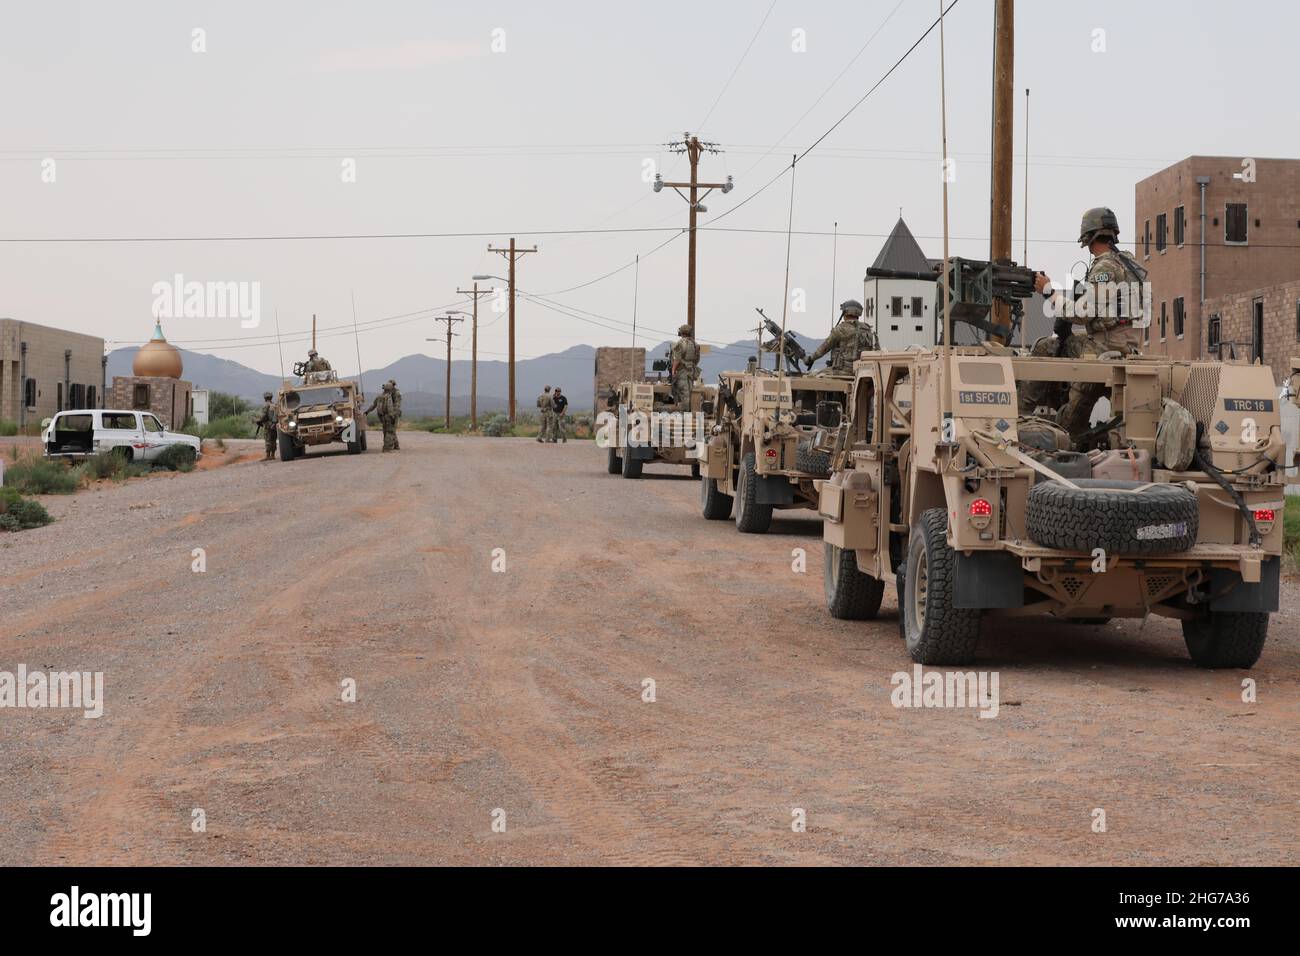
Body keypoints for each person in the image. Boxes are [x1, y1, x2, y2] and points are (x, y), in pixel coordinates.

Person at [1032, 206, 1148, 436]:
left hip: (1104, 348)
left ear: (1089, 237)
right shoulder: (1130, 263)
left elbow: (1084, 313)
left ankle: (1022, 415)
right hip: (1129, 347)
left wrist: (1049, 292)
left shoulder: (1104, 267)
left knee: (1044, 346)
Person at [806, 300, 878, 374]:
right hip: (864, 372)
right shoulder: (869, 331)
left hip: (842, 371)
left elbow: (823, 349)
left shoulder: (840, 329)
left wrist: (810, 359)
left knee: (814, 374)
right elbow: (877, 351)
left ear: (845, 313)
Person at [670, 324, 700, 409]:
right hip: (691, 372)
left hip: (682, 372)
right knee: (688, 394)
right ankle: (687, 414)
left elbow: (677, 359)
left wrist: (673, 370)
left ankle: (684, 416)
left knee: (683, 395)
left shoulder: (680, 343)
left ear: (682, 332)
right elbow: (697, 360)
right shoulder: (695, 344)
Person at [364, 381, 400, 452]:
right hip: (388, 416)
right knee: (390, 432)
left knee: (385, 431)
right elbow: (389, 407)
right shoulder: (388, 397)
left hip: (382, 417)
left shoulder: (379, 396)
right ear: (390, 389)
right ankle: (386, 449)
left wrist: (367, 411)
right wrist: (392, 416)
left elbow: (373, 405)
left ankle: (391, 446)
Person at [253, 391, 278, 461]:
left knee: (268, 440)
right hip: (274, 425)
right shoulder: (274, 405)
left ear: (265, 398)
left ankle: (268, 456)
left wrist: (258, 421)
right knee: (273, 440)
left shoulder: (265, 405)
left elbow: (264, 416)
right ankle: (273, 455)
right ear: (271, 397)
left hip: (268, 425)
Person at [386, 379, 402, 450]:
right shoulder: (389, 392)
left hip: (394, 413)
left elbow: (397, 405)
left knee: (392, 430)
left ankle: (394, 445)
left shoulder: (396, 393)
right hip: (390, 413)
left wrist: (393, 414)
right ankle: (396, 445)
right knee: (392, 430)